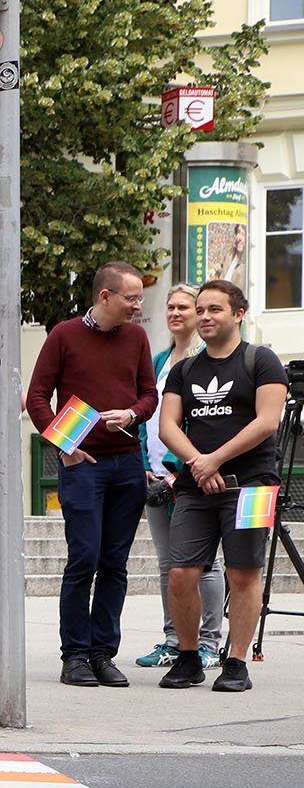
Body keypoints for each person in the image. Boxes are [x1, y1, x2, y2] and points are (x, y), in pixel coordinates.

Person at [25, 260, 157, 689]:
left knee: (115, 563)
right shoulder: (64, 334)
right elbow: (38, 396)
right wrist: (64, 445)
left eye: (138, 298)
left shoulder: (136, 337)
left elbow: (149, 395)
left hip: (127, 462)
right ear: (105, 296)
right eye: (131, 298)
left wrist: (133, 414)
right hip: (83, 465)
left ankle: (103, 654)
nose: (138, 305)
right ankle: (75, 656)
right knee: (84, 558)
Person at [154, 278, 287, 694]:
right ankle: (190, 657)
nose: (205, 316)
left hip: (253, 485)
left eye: (215, 309)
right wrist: (199, 463)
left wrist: (215, 459)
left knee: (243, 574)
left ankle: (236, 662)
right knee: (180, 573)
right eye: (201, 310)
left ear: (238, 314)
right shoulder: (184, 370)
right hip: (196, 484)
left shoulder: (261, 361)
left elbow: (267, 421)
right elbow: (167, 426)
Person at [135, 282, 222, 670]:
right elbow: (145, 418)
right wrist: (144, 464)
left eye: (184, 307)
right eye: (171, 307)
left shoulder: (208, 361)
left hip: (190, 477)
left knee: (204, 564)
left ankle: (208, 641)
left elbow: (197, 424)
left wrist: (176, 467)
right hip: (154, 479)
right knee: (168, 564)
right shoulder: (158, 361)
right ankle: (174, 638)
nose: (176, 313)